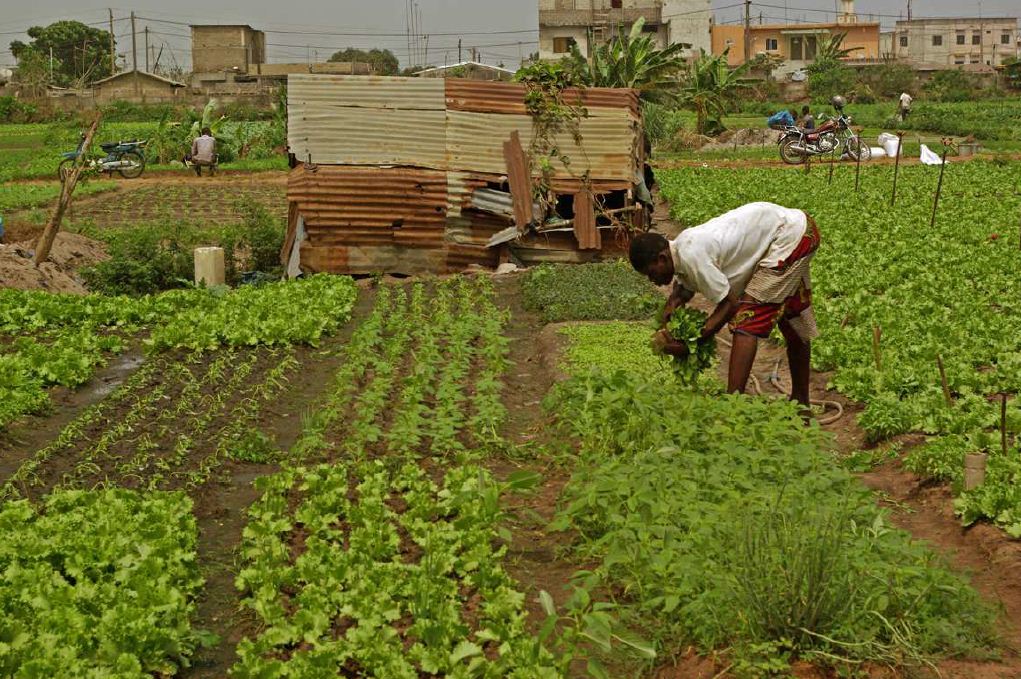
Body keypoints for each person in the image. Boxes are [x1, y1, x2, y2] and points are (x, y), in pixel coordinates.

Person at [629, 202, 821, 409]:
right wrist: (673, 303)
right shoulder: (682, 246)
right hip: (798, 229)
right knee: (792, 318)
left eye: (651, 273)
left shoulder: (692, 256)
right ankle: (802, 404)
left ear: (662, 258)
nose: (653, 280)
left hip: (788, 239)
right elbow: (685, 286)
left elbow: (730, 304)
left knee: (746, 321)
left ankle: (733, 407)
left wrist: (697, 340)